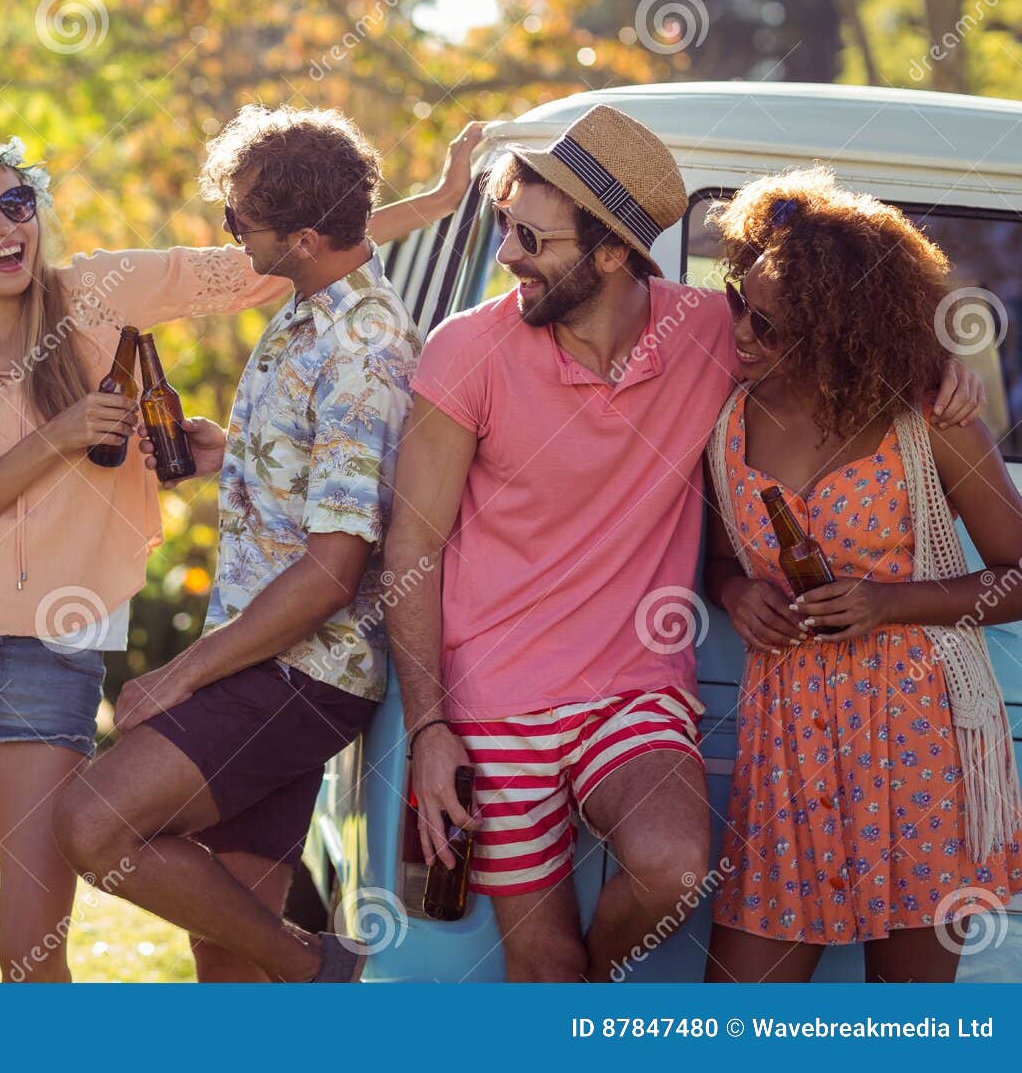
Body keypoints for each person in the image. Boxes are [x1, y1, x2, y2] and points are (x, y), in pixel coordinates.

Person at [0, 119, 481, 982]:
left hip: (58, 649)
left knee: (31, 942)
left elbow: (272, 254)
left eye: (15, 205)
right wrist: (72, 438)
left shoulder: (106, 291)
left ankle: (315, 969)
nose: (4, 229)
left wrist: (438, 203)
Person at [382, 105, 986, 982]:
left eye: (534, 239)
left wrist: (937, 367)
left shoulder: (712, 332)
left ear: (616, 252)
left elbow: (839, 323)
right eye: (508, 229)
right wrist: (431, 723)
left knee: (672, 867)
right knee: (540, 968)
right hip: (491, 697)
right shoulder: (467, 348)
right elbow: (413, 547)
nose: (510, 254)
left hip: (634, 686)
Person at [49, 105, 419, 982]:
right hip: (271, 660)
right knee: (225, 955)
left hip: (301, 670)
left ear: (302, 234)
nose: (227, 233)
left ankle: (320, 968)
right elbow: (326, 487)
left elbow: (333, 572)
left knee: (92, 824)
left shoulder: (363, 347)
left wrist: (181, 674)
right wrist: (239, 453)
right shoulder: (311, 309)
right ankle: (295, 972)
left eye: (238, 219)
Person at [702, 166, 1022, 982]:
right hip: (789, 742)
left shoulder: (927, 419)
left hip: (919, 735)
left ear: (838, 327)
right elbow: (709, 556)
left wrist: (891, 602)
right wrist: (738, 593)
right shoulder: (723, 422)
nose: (739, 330)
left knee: (905, 1030)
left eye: (768, 325)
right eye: (738, 298)